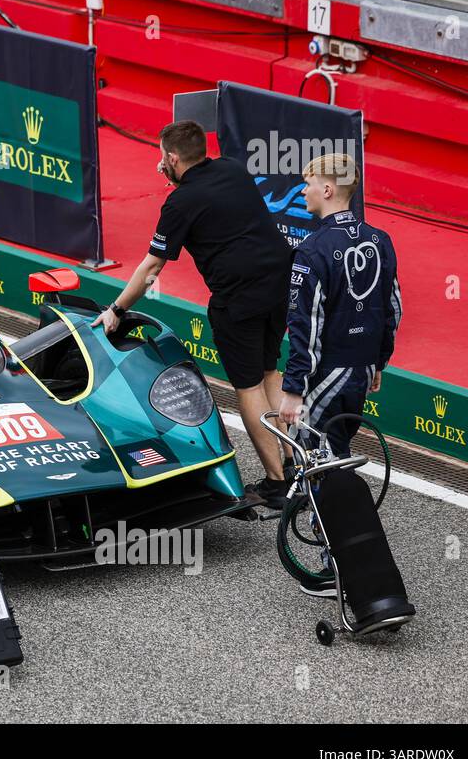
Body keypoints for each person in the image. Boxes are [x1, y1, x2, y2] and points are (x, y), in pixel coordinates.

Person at [92, 120, 294, 506]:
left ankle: (276, 483)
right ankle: (294, 466)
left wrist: (117, 308)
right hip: (280, 283)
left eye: (161, 158)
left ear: (170, 158)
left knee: (249, 386)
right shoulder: (232, 168)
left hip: (239, 298)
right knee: (271, 371)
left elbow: (151, 268)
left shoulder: (180, 202)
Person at [279, 153, 400, 457]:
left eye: (308, 184)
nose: (303, 191)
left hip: (328, 374)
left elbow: (305, 326)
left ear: (328, 190)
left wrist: (294, 389)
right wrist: (378, 360)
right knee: (337, 447)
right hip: (364, 366)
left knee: (319, 457)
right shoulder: (380, 240)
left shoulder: (311, 251)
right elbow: (393, 309)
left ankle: (334, 506)